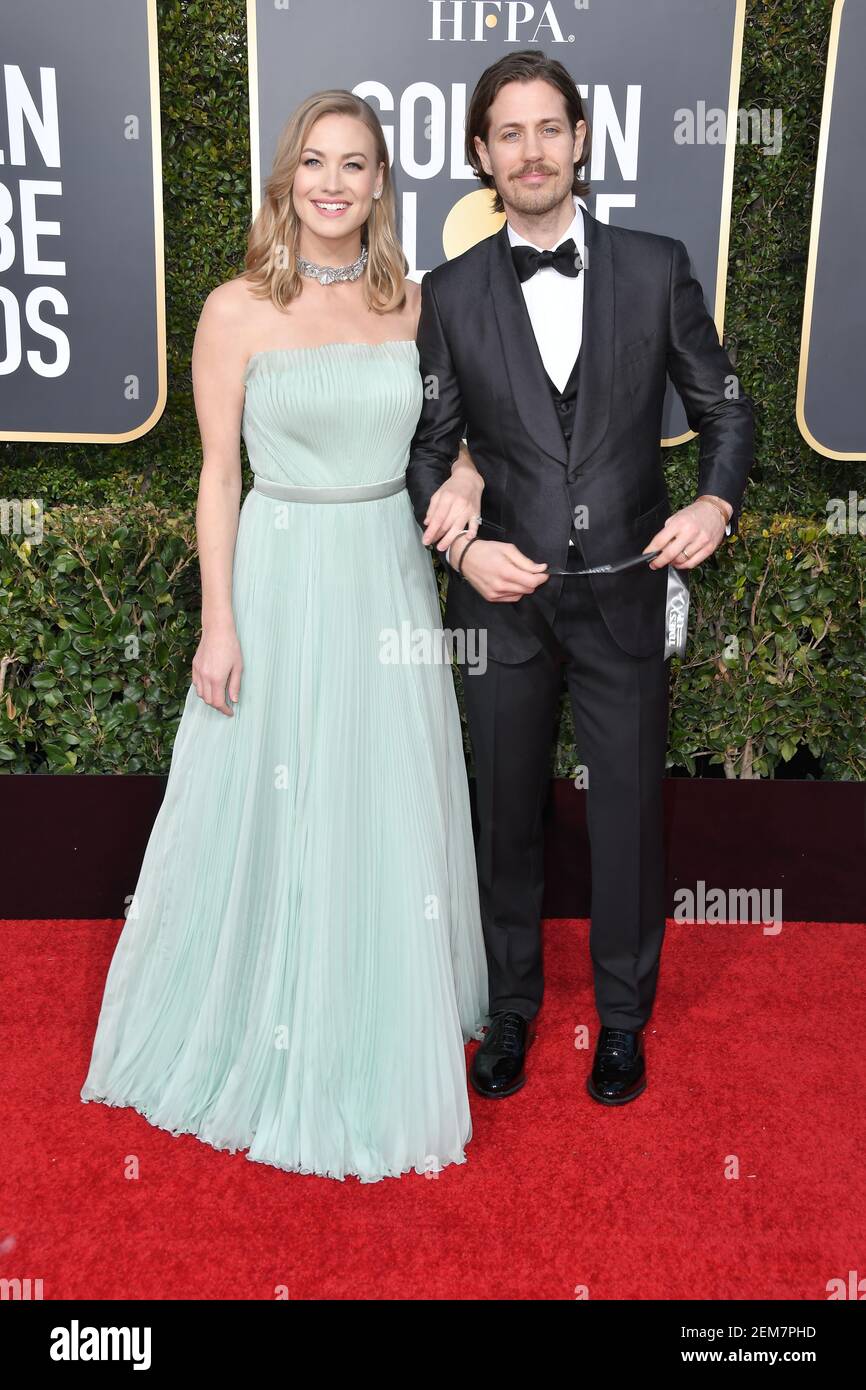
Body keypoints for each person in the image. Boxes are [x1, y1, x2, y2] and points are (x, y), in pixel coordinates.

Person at [80, 90, 489, 1182]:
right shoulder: (235, 311)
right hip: (279, 568)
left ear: (379, 187)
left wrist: (469, 479)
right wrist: (218, 622)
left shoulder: (414, 306)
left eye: (356, 165)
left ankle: (375, 1002)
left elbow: (452, 443)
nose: (333, 183)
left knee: (378, 790)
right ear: (286, 179)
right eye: (315, 161)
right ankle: (259, 1009)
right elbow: (217, 476)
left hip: (386, 576)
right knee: (273, 791)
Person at [407, 50, 754, 1106]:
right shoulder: (450, 292)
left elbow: (726, 405)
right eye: (506, 134)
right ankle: (508, 1010)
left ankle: (621, 1018)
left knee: (626, 818)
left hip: (623, 590)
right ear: (479, 154)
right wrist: (464, 545)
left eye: (547, 129)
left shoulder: (654, 266)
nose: (529, 151)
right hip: (499, 600)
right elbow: (426, 447)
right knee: (501, 813)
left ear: (579, 141)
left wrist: (711, 502)